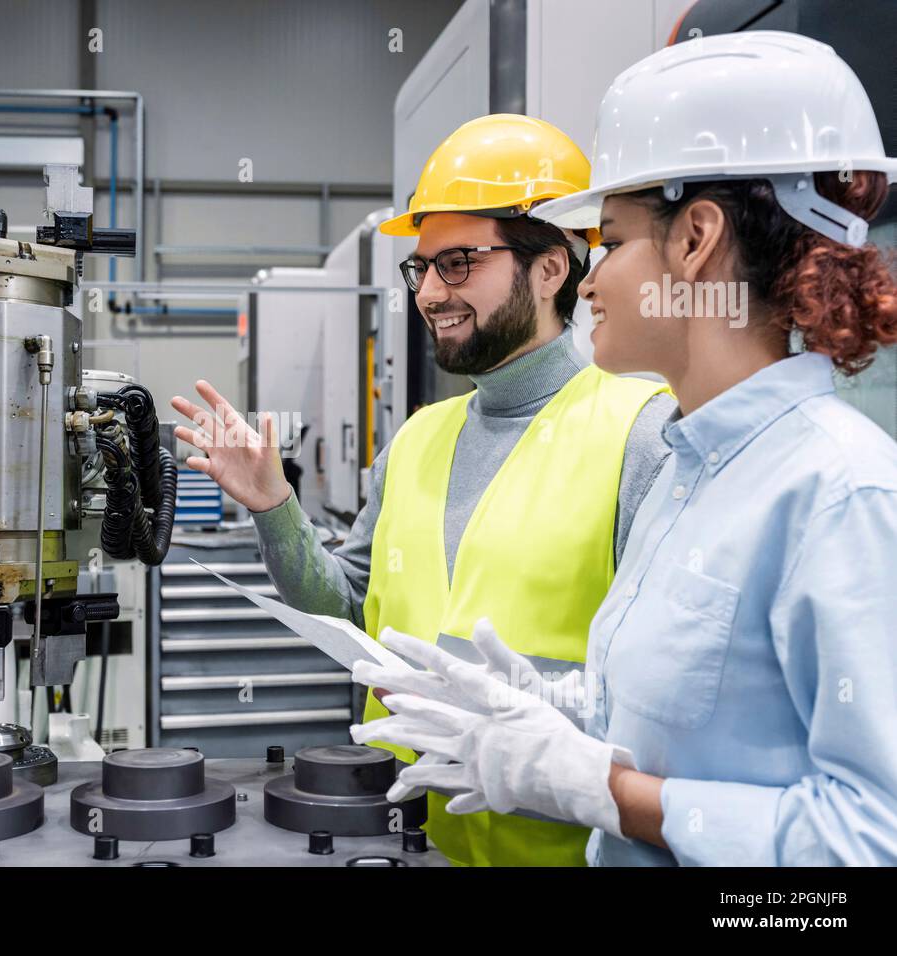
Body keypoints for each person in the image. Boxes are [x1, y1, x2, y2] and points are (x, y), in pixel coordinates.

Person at [354, 31, 897, 866]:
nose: (589, 278)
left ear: (695, 240)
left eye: (608, 239)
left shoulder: (839, 492)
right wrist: (539, 708)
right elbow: (676, 722)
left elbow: (871, 841)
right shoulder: (693, 472)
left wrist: (603, 793)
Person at [170, 114, 677, 865]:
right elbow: (348, 609)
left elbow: (671, 701)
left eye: (460, 262)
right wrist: (276, 508)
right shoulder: (416, 439)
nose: (431, 292)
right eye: (424, 268)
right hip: (408, 842)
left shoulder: (643, 433)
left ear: (551, 270)